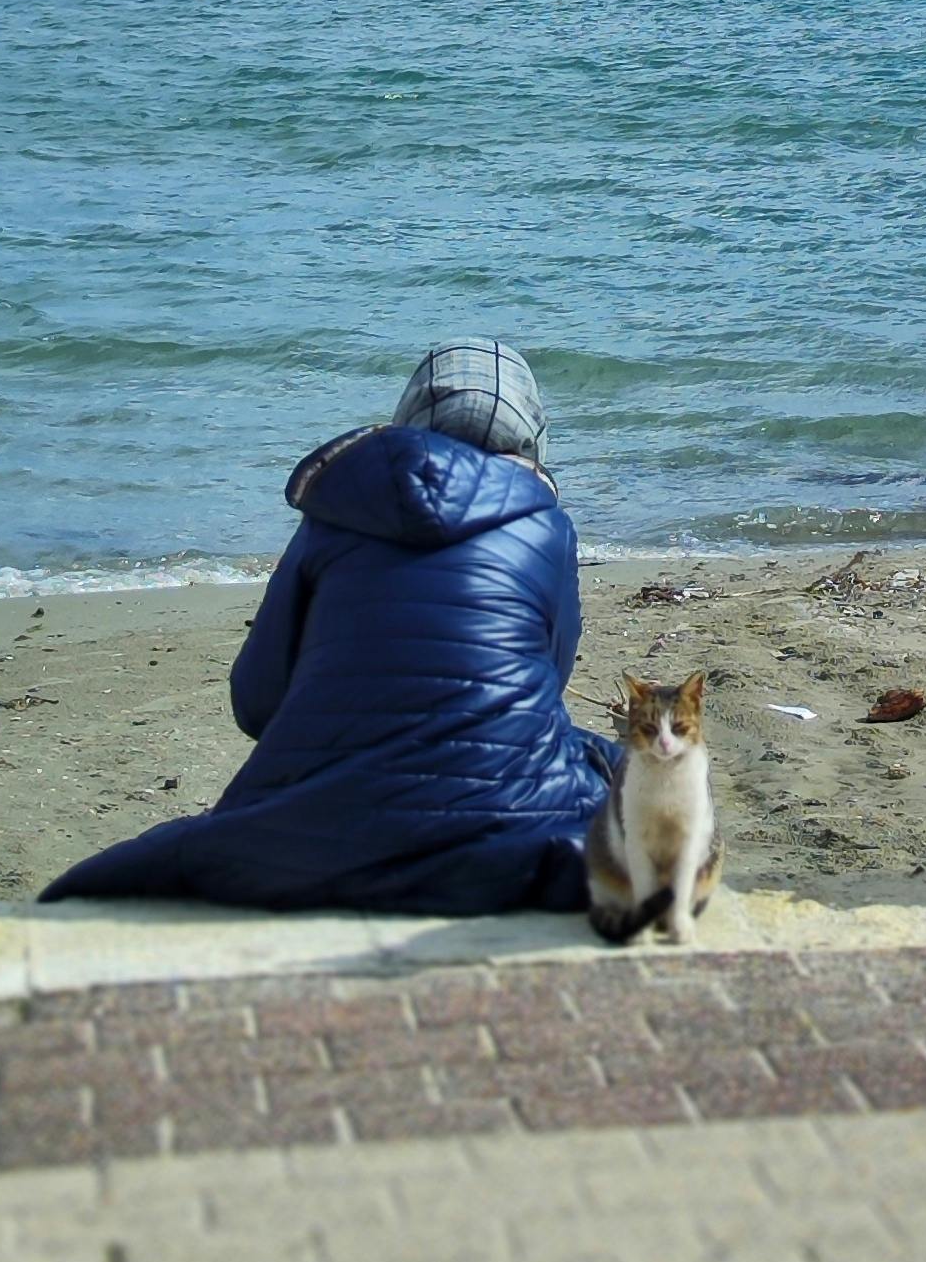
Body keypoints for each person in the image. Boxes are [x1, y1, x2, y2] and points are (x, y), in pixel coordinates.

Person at [43, 340, 616, 914]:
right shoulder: (547, 530)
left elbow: (257, 703)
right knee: (618, 765)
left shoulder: (338, 510)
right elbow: (544, 692)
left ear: (408, 415)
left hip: (313, 838)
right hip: (506, 837)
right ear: (531, 437)